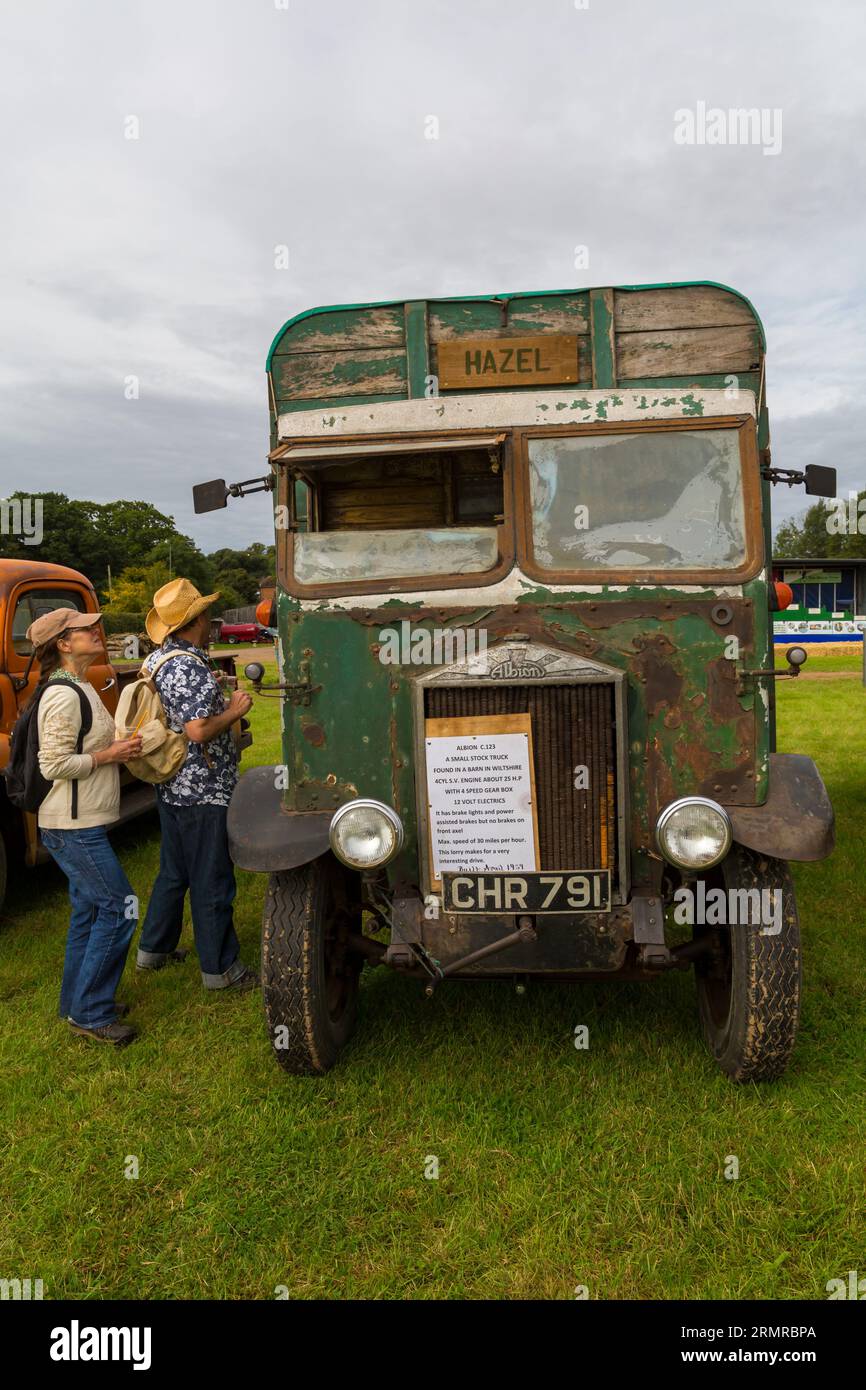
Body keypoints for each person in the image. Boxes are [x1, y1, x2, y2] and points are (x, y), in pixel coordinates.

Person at [28, 608, 144, 1047]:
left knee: (90, 911)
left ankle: (76, 1002)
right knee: (120, 906)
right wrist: (108, 756)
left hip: (77, 823)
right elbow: (53, 764)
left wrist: (115, 748)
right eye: (84, 629)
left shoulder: (80, 684)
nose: (96, 631)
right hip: (71, 827)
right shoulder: (63, 694)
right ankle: (91, 1013)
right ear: (63, 643)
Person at [135, 578, 256, 992]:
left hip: (170, 783)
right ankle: (221, 970)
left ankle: (154, 949)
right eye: (205, 614)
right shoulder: (188, 664)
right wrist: (235, 708)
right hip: (202, 785)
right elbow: (199, 730)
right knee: (211, 877)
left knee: (175, 870)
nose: (210, 620)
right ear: (195, 620)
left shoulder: (159, 659)